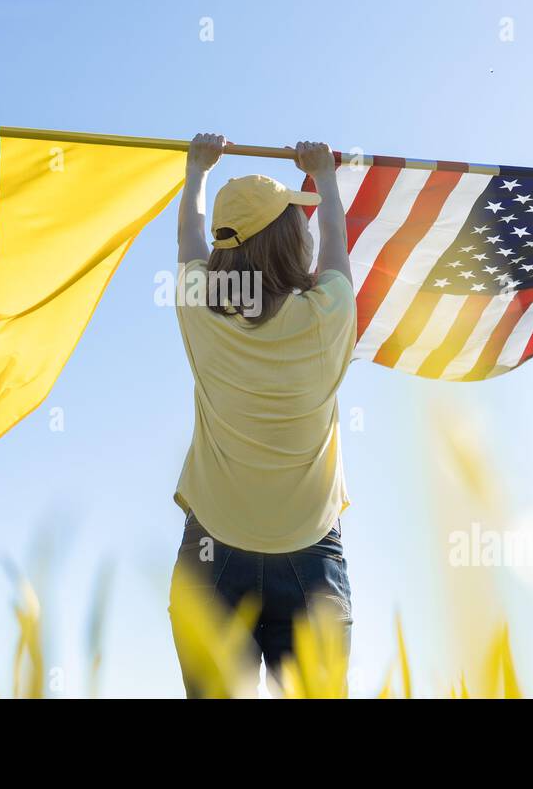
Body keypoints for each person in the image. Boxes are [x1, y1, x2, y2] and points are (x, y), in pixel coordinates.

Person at [170, 132, 357, 697]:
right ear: (286, 241)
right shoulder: (326, 316)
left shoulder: (199, 306)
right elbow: (335, 249)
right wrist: (323, 177)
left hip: (212, 556)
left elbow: (188, 242)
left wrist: (197, 170)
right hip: (310, 557)